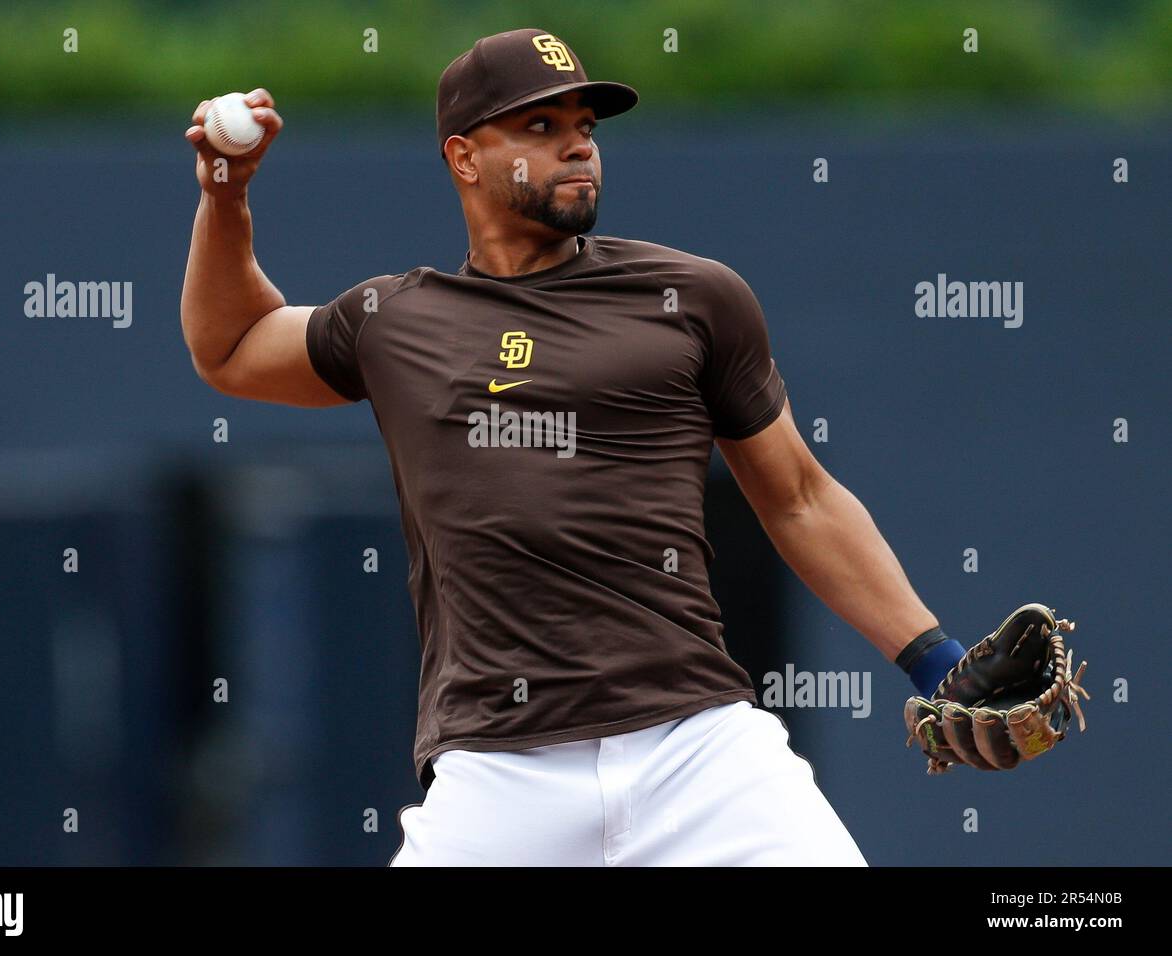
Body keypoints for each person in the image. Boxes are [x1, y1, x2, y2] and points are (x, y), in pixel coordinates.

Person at [180, 28, 964, 866]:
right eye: (539, 127)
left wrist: (936, 660)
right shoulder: (395, 320)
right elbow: (231, 347)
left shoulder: (691, 299)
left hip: (696, 747)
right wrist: (226, 198)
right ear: (465, 156)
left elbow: (799, 495)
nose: (578, 145)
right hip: (498, 769)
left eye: (585, 123)